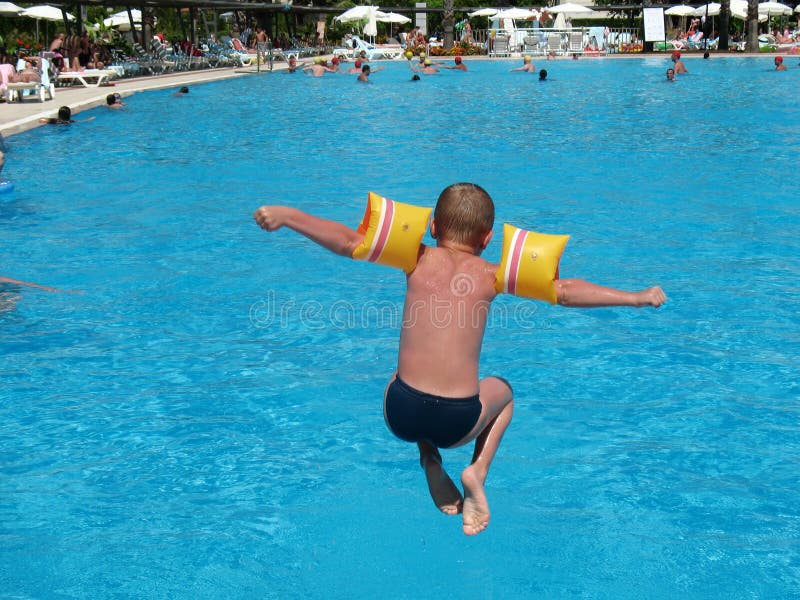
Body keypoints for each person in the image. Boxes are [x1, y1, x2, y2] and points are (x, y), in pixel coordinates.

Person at [253, 182, 666, 536]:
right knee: (503, 391)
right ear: (488, 239)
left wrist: (289, 215)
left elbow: (347, 241)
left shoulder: (414, 257)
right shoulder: (492, 275)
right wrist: (635, 297)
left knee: (402, 376)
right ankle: (477, 472)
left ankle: (428, 458)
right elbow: (564, 290)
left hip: (400, 413)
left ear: (432, 227)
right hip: (459, 423)